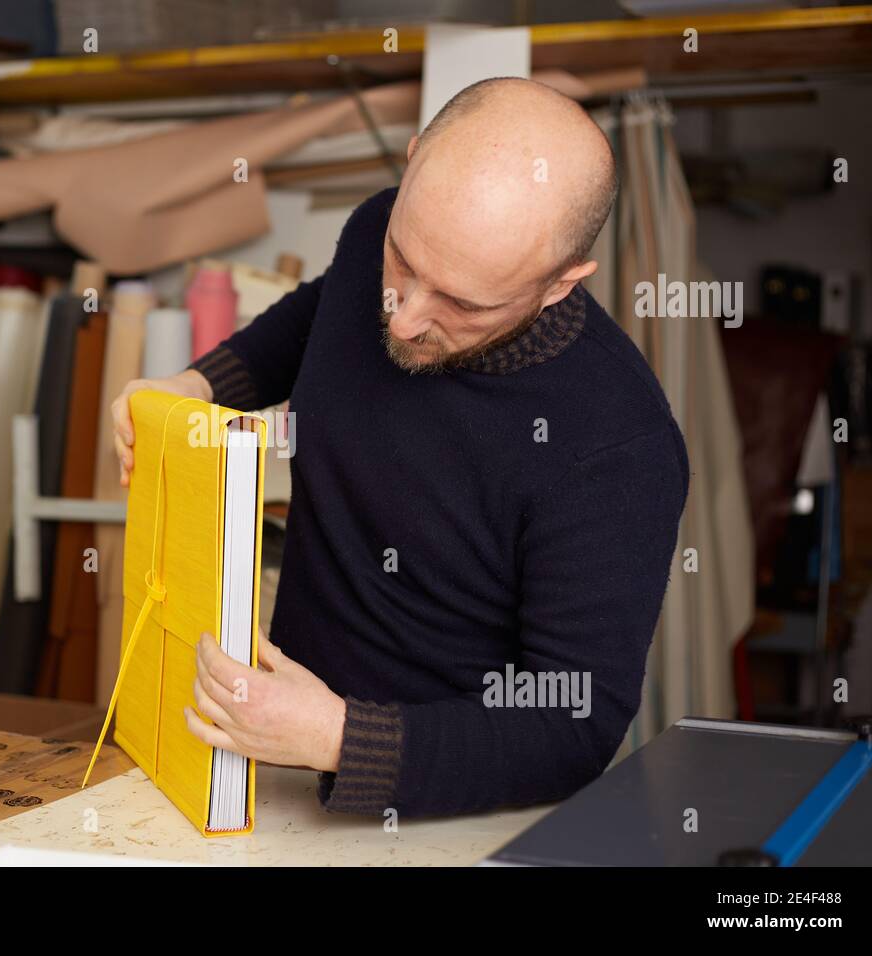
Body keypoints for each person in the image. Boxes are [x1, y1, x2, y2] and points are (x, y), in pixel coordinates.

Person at [110, 77, 688, 817]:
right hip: (271, 768)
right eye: (403, 265)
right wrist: (199, 383)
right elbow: (320, 311)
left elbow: (571, 727)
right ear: (412, 164)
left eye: (463, 303)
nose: (408, 316)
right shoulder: (376, 231)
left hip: (445, 819)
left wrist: (339, 738)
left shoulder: (617, 449)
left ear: (560, 283)